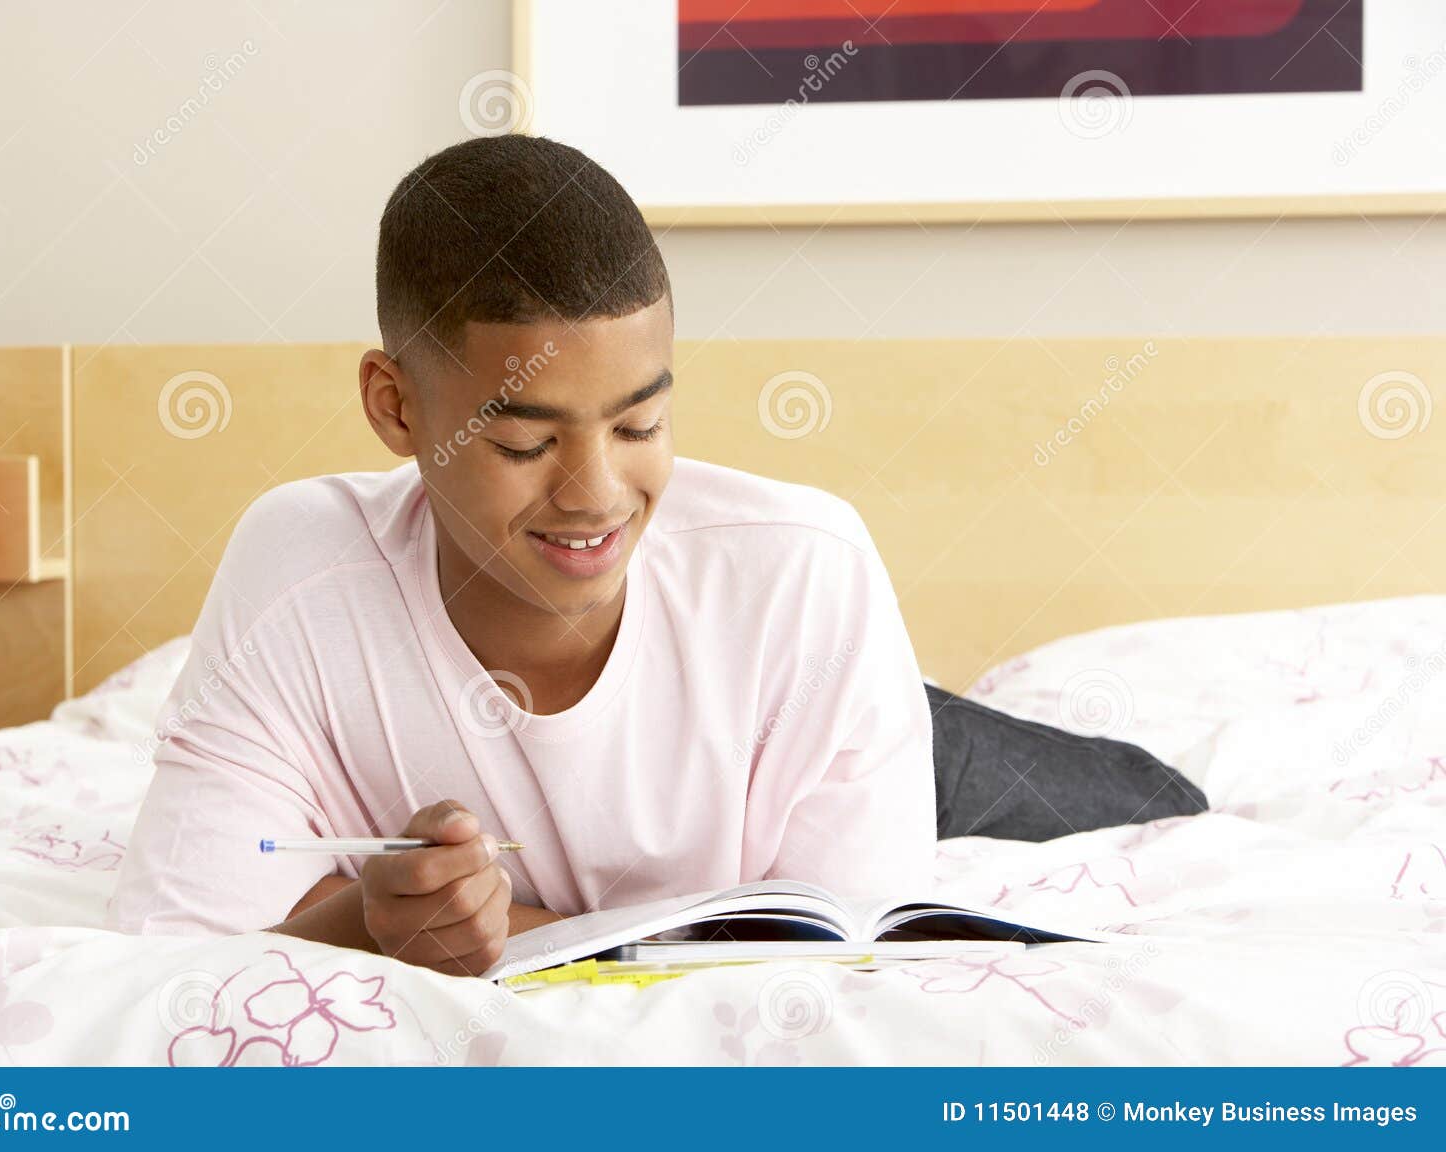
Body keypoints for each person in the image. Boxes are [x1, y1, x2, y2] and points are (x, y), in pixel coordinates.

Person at [109, 134, 934, 976]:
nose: (596, 495)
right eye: (525, 440)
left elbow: (857, 956)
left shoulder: (805, 576)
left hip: (865, 717)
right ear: (395, 408)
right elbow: (170, 956)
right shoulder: (302, 570)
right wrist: (365, 918)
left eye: (638, 426)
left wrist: (491, 926)